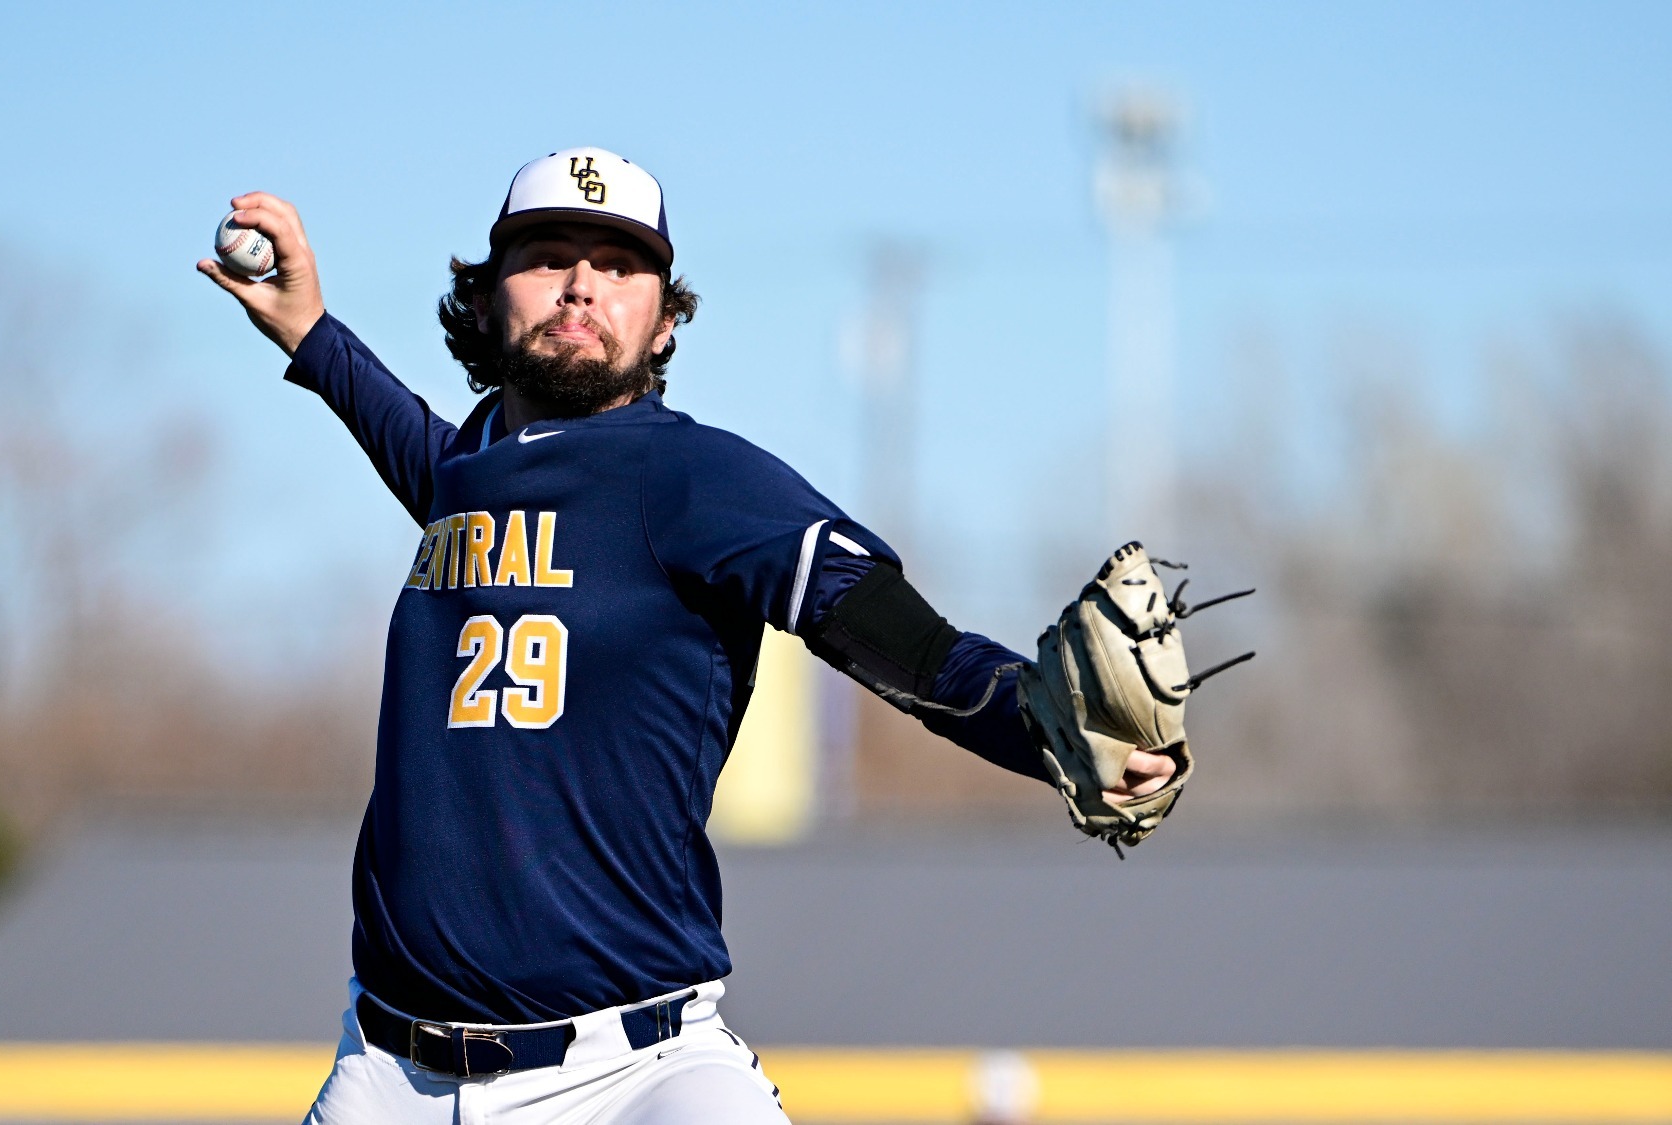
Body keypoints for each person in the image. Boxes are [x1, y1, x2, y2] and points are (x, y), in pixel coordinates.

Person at [197, 147, 1175, 1125]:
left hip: (636, 1075)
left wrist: (1042, 727)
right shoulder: (471, 468)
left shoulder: (695, 480)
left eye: (621, 266)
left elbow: (905, 645)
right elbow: (405, 434)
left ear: (664, 321)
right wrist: (310, 331)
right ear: (487, 299)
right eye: (548, 256)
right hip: (388, 1073)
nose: (582, 284)